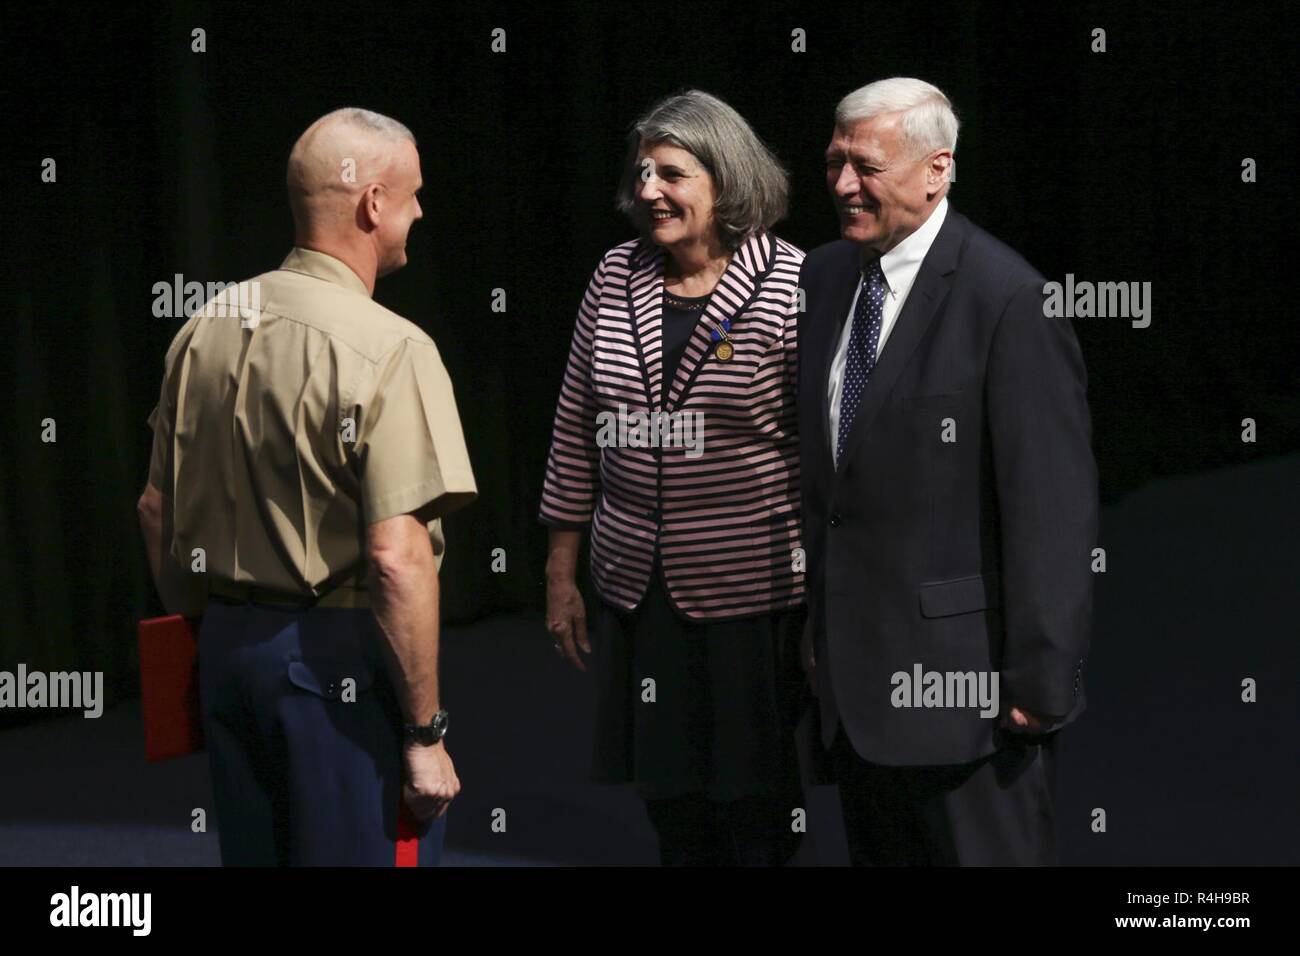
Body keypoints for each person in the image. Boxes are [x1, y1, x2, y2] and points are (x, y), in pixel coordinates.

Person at [137, 107, 477, 866]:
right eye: (414, 194)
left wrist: (214, 629)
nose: (421, 211)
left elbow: (155, 508)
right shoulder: (393, 347)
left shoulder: (203, 326)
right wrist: (425, 735)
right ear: (372, 204)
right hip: (336, 669)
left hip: (225, 655)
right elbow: (397, 558)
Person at [797, 78, 1098, 865]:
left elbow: (1052, 513)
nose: (841, 185)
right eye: (834, 162)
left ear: (938, 169)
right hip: (856, 703)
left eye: (865, 166)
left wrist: (1038, 683)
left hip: (970, 706)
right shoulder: (823, 281)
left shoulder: (1010, 301)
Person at [540, 90, 807, 866]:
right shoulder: (615, 275)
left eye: (674, 173)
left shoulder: (791, 283)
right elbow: (572, 429)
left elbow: (825, 452)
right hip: (637, 586)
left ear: (727, 178)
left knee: (753, 802)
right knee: (669, 795)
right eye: (644, 172)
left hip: (748, 592)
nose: (650, 189)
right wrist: (562, 573)